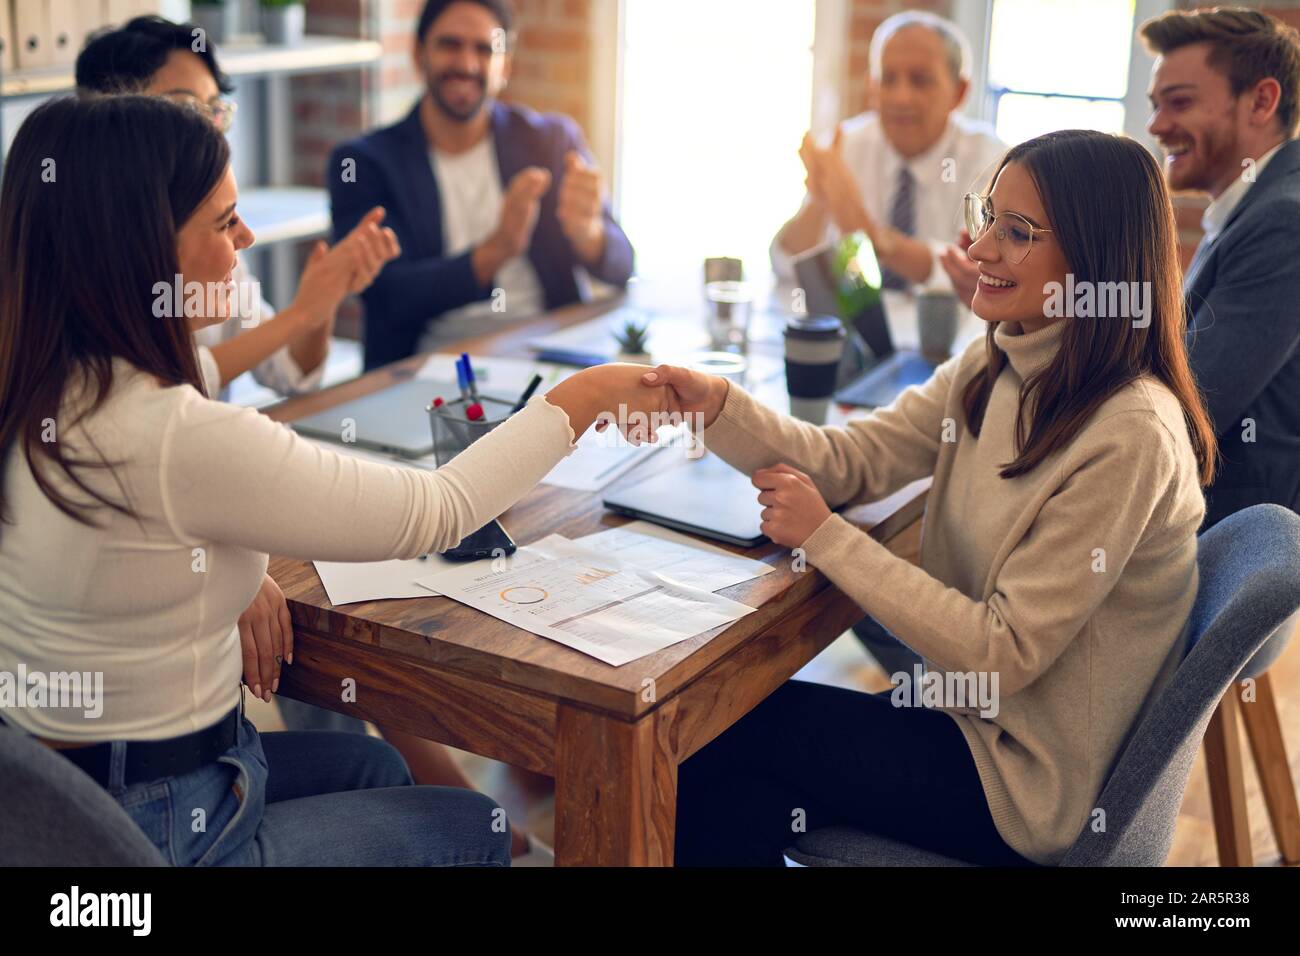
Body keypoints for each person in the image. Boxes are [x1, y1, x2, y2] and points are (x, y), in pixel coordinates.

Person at [0, 95, 673, 866]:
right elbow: (438, 511)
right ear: (145, 249)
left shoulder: (37, 384)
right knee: (474, 831)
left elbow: (198, 400)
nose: (247, 237)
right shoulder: (180, 437)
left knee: (376, 766)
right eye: (224, 223)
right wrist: (581, 397)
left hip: (57, 810)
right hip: (162, 828)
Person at [639, 129, 1218, 866]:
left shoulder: (1128, 433)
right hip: (972, 724)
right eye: (987, 216)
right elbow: (851, 460)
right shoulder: (998, 356)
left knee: (713, 740)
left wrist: (826, 536)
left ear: (1093, 259)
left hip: (1027, 785)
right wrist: (719, 406)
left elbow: (1000, 654)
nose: (977, 249)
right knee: (730, 771)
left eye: (1016, 233)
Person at [76, 15, 388, 403]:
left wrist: (322, 302)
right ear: (112, 120)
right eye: (188, 110)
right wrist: (300, 314)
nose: (211, 130)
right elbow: (150, 399)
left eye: (215, 110)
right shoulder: (86, 259)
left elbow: (288, 371)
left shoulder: (216, 237)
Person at [328, 0, 635, 369]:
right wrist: (495, 251)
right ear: (418, 54)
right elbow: (386, 295)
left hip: (547, 352)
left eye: (484, 49)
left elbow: (623, 265)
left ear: (504, 65)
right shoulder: (364, 163)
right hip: (430, 365)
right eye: (450, 45)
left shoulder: (551, 141)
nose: (467, 65)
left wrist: (590, 236)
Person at [1141, 6, 1300, 529]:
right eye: (1155, 105)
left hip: (1232, 550)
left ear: (1261, 100)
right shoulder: (1252, 206)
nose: (1157, 125)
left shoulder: (1285, 220)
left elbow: (1186, 410)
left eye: (1180, 102)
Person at [772, 10, 1004, 291]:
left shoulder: (993, 164)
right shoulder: (845, 144)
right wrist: (821, 202)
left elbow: (983, 275)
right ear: (872, 87)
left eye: (920, 80)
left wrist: (872, 237)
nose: (900, 97)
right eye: (888, 79)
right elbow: (785, 265)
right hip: (856, 329)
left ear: (959, 92)